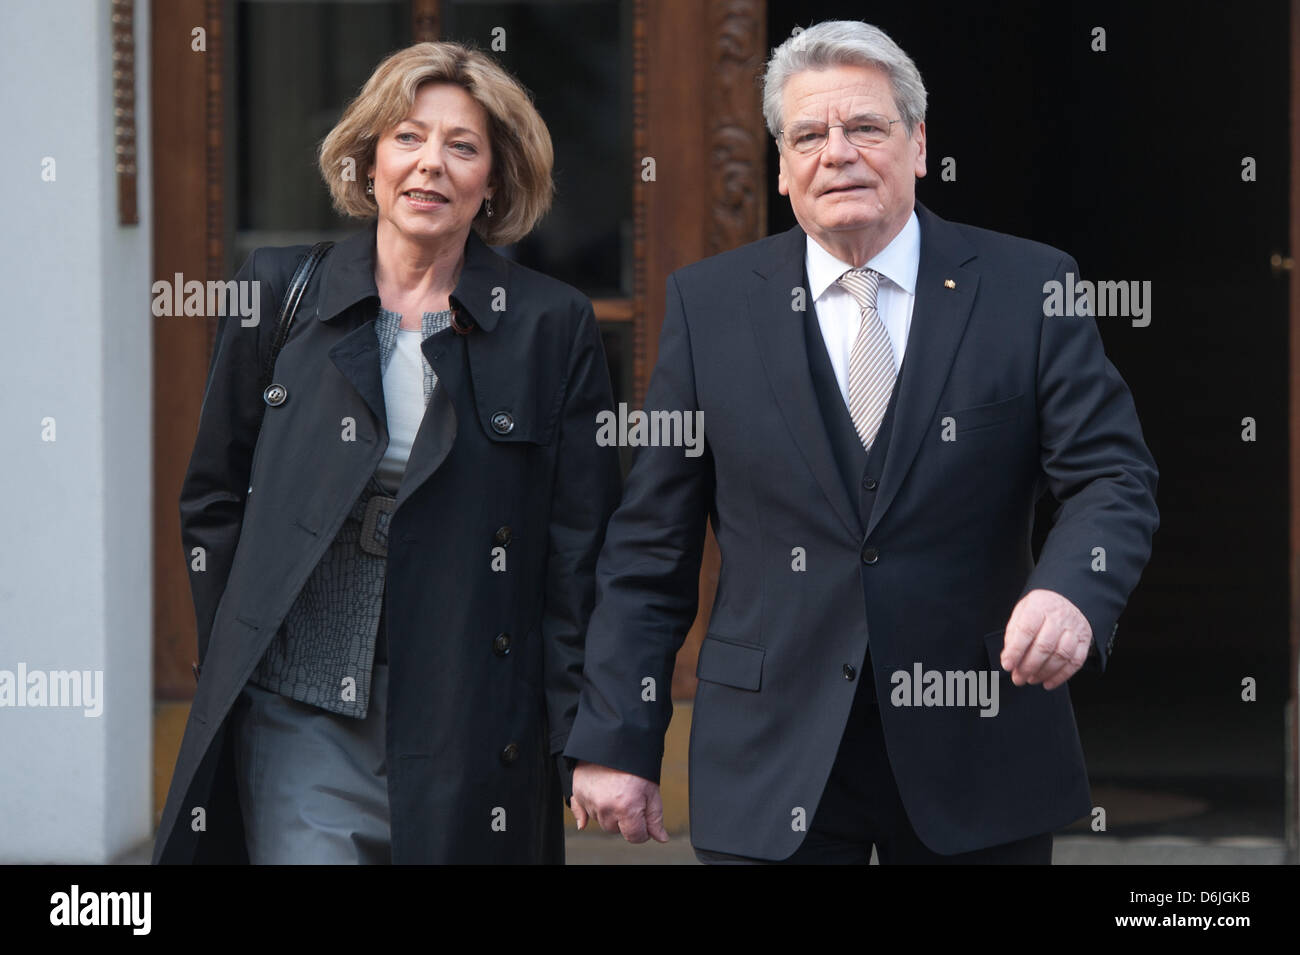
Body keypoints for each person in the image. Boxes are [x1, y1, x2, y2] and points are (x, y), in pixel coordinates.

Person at [562, 20, 1159, 863]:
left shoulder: (1032, 286)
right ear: (780, 165)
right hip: (770, 756)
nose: (835, 152)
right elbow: (650, 548)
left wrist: (1072, 592)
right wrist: (618, 737)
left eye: (865, 128)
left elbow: (1112, 475)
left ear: (918, 145)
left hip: (977, 742)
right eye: (808, 134)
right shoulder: (710, 306)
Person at [153, 41, 621, 864]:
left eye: (462, 146)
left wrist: (588, 729)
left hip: (472, 722)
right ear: (368, 162)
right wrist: (244, 644)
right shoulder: (277, 292)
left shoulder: (552, 325)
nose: (429, 165)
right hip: (304, 710)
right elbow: (213, 497)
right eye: (407, 137)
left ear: (495, 181)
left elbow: (577, 550)